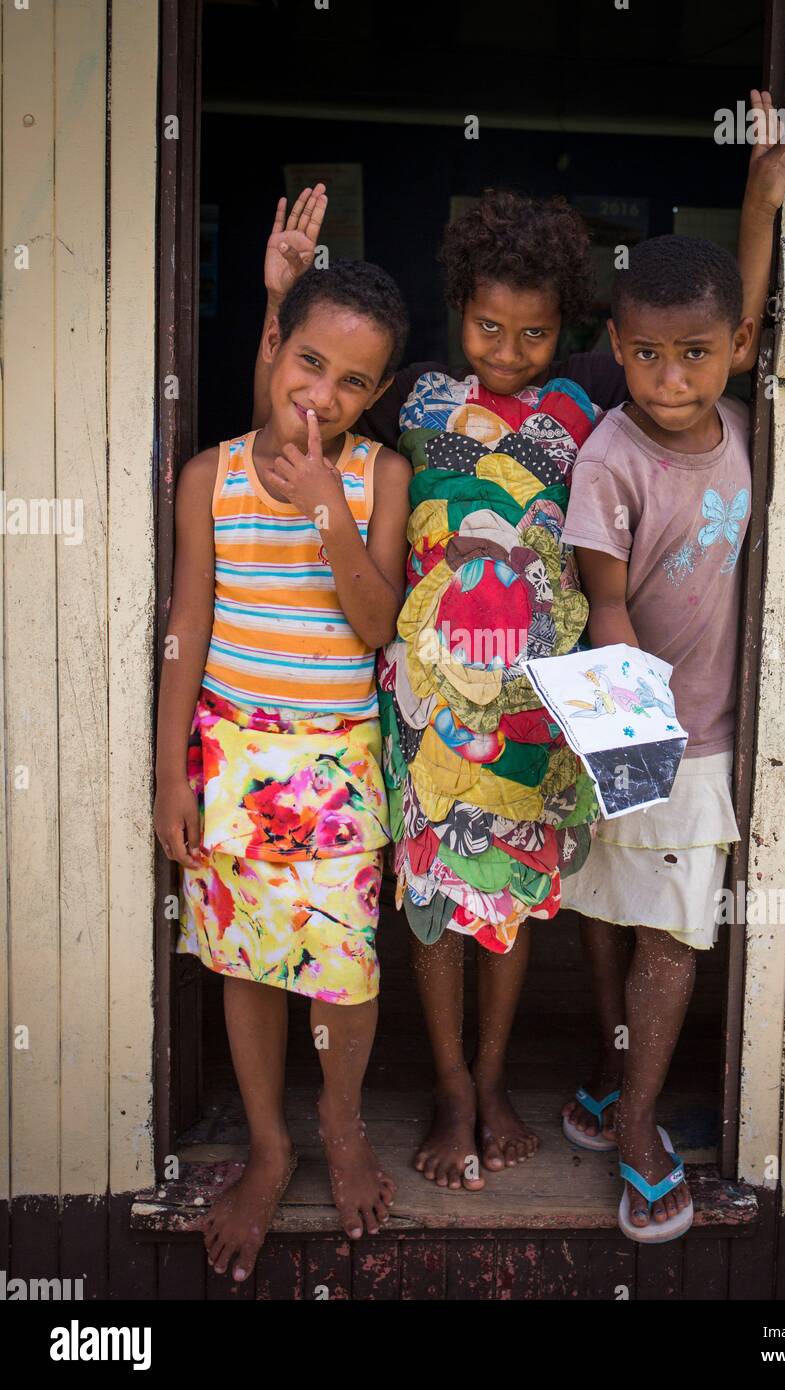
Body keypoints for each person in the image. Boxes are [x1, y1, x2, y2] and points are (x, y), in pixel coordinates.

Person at [249, 90, 785, 1194]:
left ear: (572, 332)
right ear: (458, 313)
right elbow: (298, 407)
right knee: (436, 906)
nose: (507, 351)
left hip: (542, 710)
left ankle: (494, 1078)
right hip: (427, 703)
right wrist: (276, 302)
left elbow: (721, 338)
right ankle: (450, 1085)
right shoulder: (415, 402)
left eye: (533, 332)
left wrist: (759, 201)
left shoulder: (591, 401)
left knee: (514, 905)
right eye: (489, 327)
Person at [154, 260, 412, 1279]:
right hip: (228, 755)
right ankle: (269, 1145)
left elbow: (376, 621)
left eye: (352, 381)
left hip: (337, 763)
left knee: (342, 973)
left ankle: (338, 1121)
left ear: (380, 394)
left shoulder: (378, 477)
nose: (322, 396)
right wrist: (171, 773)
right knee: (243, 963)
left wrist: (327, 513)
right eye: (309, 361)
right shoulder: (206, 477)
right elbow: (188, 624)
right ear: (274, 347)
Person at [559, 233, 757, 1241]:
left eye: (694, 354)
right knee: (608, 905)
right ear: (616, 343)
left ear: (735, 348)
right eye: (646, 355)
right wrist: (633, 741)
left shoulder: (746, 425)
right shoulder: (606, 457)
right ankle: (625, 1101)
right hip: (632, 724)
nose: (669, 378)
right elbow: (605, 606)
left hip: (713, 736)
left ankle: (624, 1109)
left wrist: (762, 196)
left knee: (670, 933)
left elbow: (741, 300)